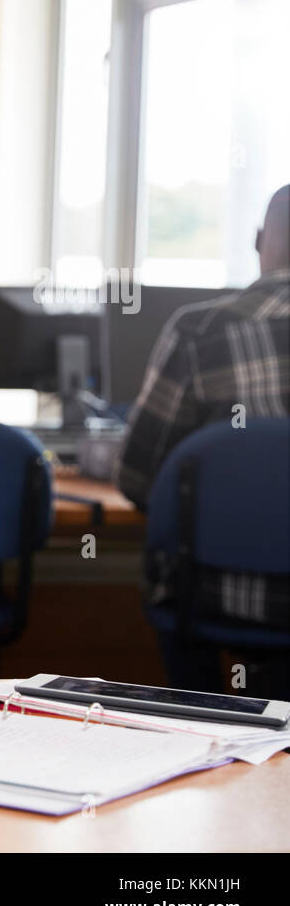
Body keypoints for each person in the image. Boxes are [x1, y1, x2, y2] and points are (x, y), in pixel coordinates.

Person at [114, 184, 289, 687]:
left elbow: (136, 479)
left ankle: (207, 737)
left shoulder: (201, 331)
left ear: (260, 240)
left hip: (215, 595)